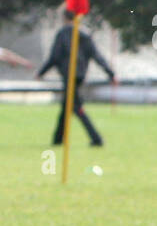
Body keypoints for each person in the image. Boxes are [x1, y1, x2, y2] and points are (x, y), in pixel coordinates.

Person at [37, 9, 117, 147]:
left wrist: (41, 72)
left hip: (69, 75)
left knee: (75, 107)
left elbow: (54, 57)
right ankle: (57, 139)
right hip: (80, 75)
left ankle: (96, 138)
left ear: (64, 17)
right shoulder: (85, 34)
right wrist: (111, 74)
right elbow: (97, 55)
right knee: (66, 106)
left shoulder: (63, 34)